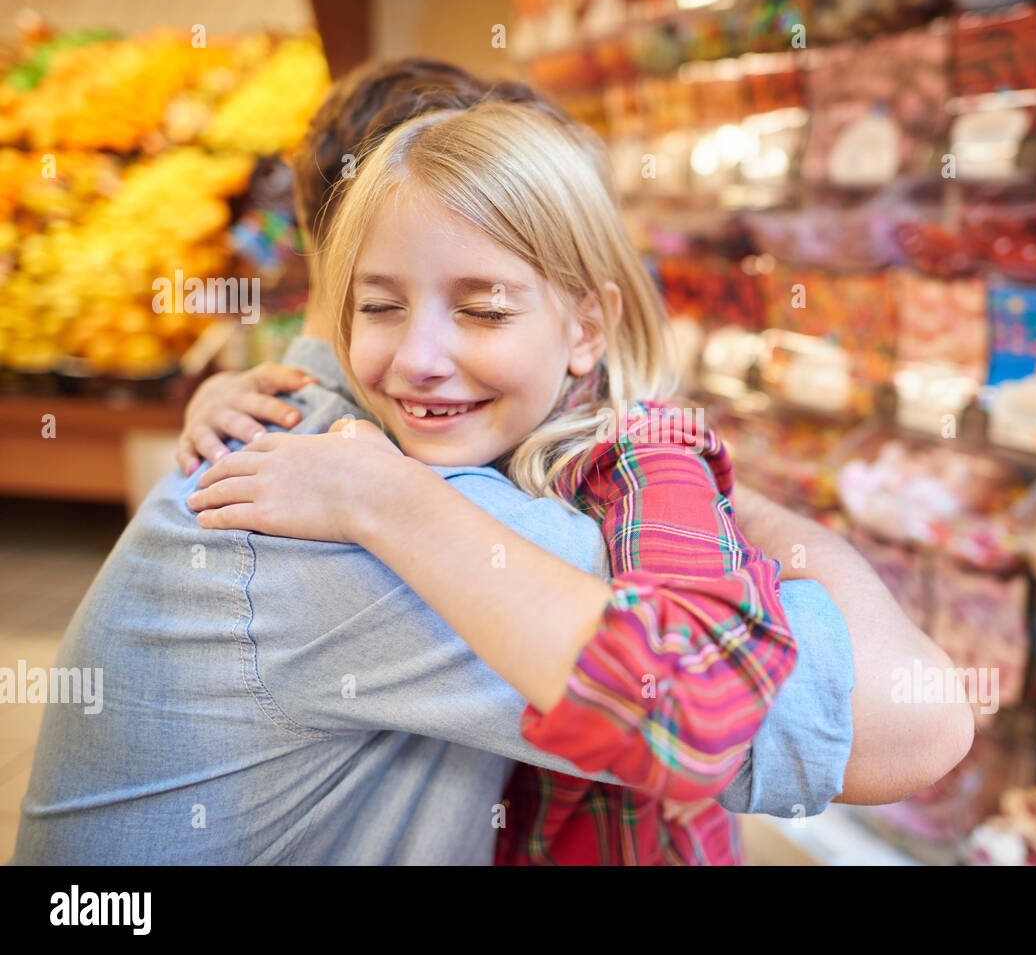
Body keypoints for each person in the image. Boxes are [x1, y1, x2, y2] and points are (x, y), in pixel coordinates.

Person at [188, 98, 973, 865]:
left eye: (485, 311)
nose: (419, 357)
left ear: (586, 329)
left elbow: (696, 708)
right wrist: (244, 395)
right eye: (382, 305)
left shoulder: (641, 456)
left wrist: (388, 501)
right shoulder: (415, 425)